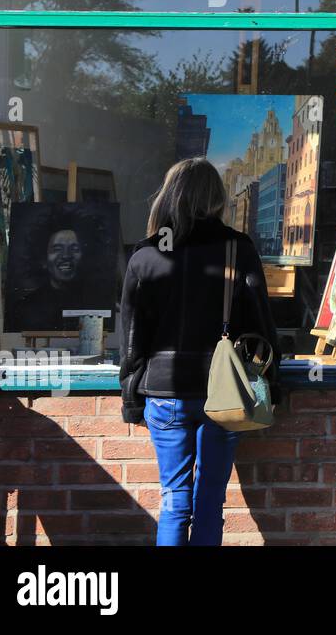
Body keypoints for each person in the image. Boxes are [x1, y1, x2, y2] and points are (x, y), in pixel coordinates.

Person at [118, 158, 282, 546]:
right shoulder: (237, 249)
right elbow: (261, 324)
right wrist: (274, 387)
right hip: (222, 392)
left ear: (169, 196)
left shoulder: (146, 254)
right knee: (210, 502)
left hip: (163, 392)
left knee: (175, 502)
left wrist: (130, 397)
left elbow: (131, 337)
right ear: (216, 198)